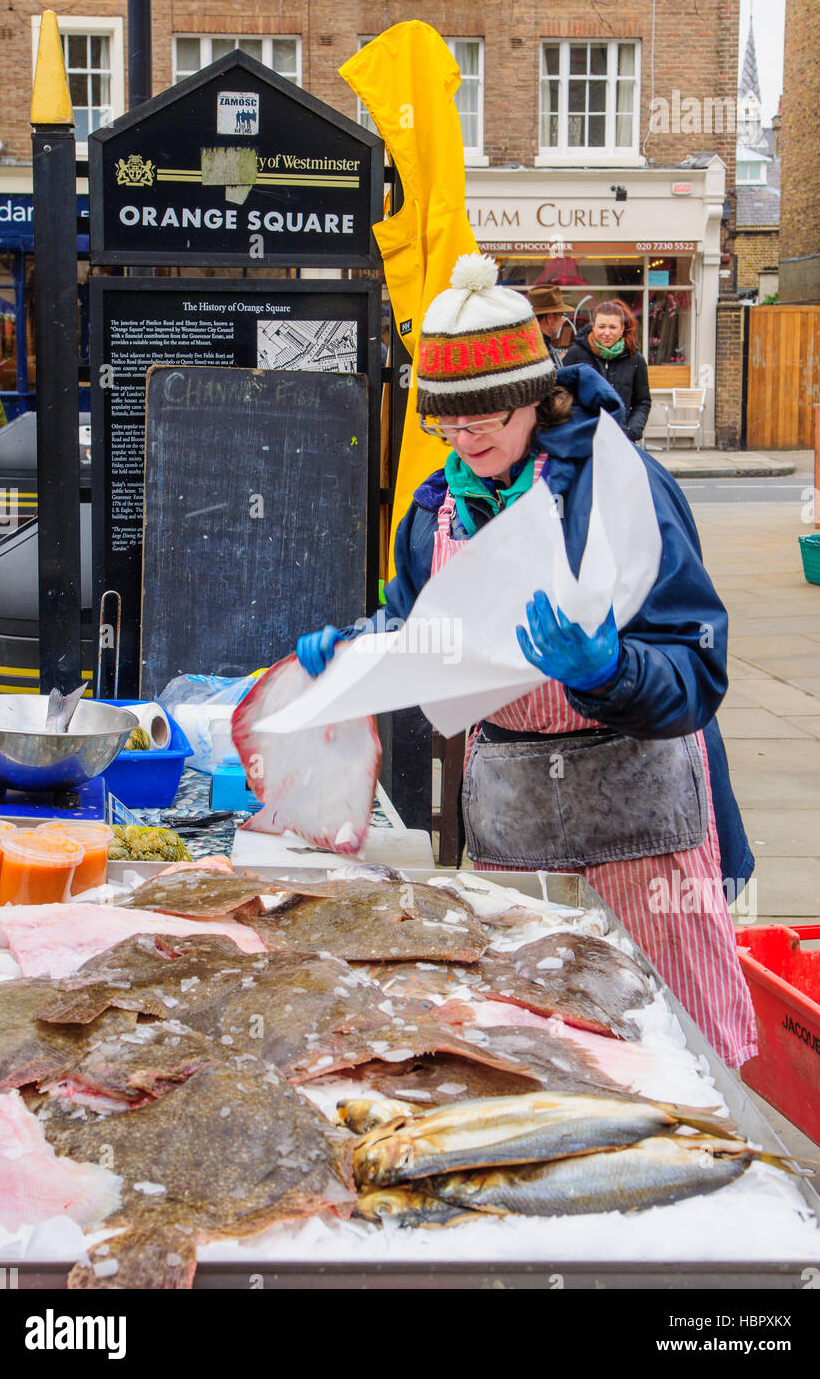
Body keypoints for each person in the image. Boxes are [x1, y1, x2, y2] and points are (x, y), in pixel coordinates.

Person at [296, 254, 756, 1068]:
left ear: (534, 400)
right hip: (517, 830)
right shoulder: (436, 506)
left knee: (679, 1057)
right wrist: (365, 651)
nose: (463, 438)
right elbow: (422, 630)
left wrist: (610, 670)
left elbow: (698, 668)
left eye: (483, 420)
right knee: (538, 1051)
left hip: (644, 826)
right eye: (447, 423)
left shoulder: (624, 489)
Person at [562, 298, 651, 445]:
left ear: (622, 328)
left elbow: (642, 401)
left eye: (613, 327)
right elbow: (561, 395)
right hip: (583, 441)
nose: (607, 333)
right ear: (593, 327)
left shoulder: (635, 359)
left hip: (622, 440)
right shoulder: (576, 354)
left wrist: (631, 430)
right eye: (602, 327)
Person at [527, 283, 574, 368]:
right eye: (562, 315)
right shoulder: (538, 350)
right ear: (550, 318)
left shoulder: (539, 343)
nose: (563, 320)